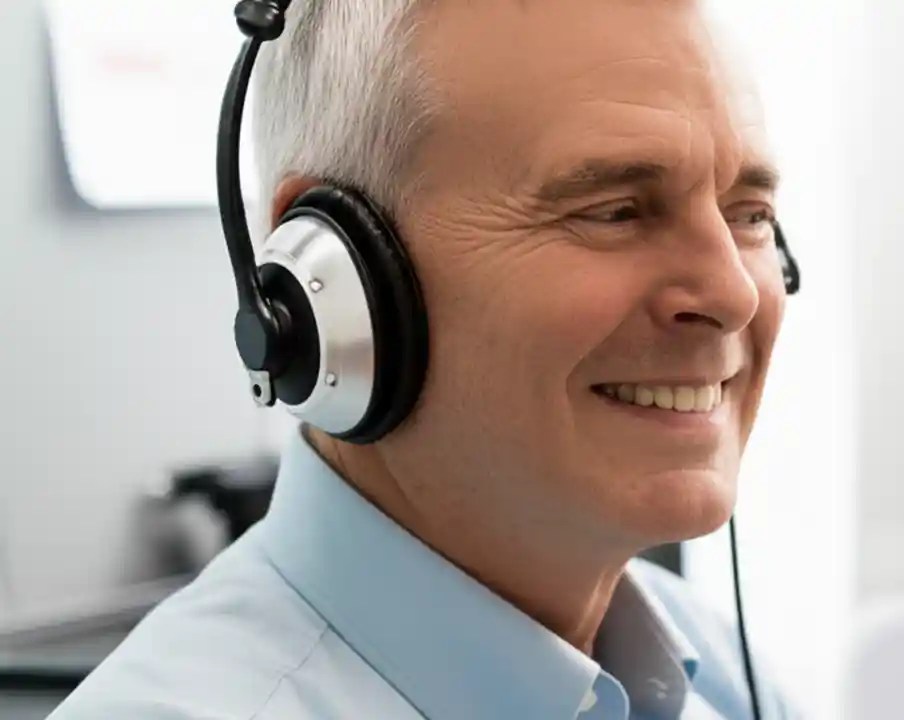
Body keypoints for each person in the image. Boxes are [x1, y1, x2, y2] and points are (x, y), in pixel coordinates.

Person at [50, 0, 799, 718]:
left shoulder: (717, 668)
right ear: (334, 280)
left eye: (750, 215)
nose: (732, 292)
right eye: (614, 211)